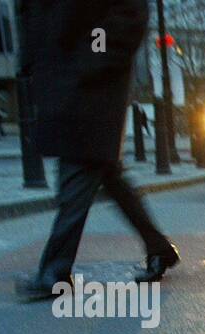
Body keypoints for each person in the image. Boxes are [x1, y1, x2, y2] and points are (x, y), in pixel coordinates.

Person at [16, 0, 179, 301]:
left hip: (89, 87)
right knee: (105, 173)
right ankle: (159, 248)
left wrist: (87, 62)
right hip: (67, 81)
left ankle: (54, 272)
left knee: (78, 173)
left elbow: (129, 16)